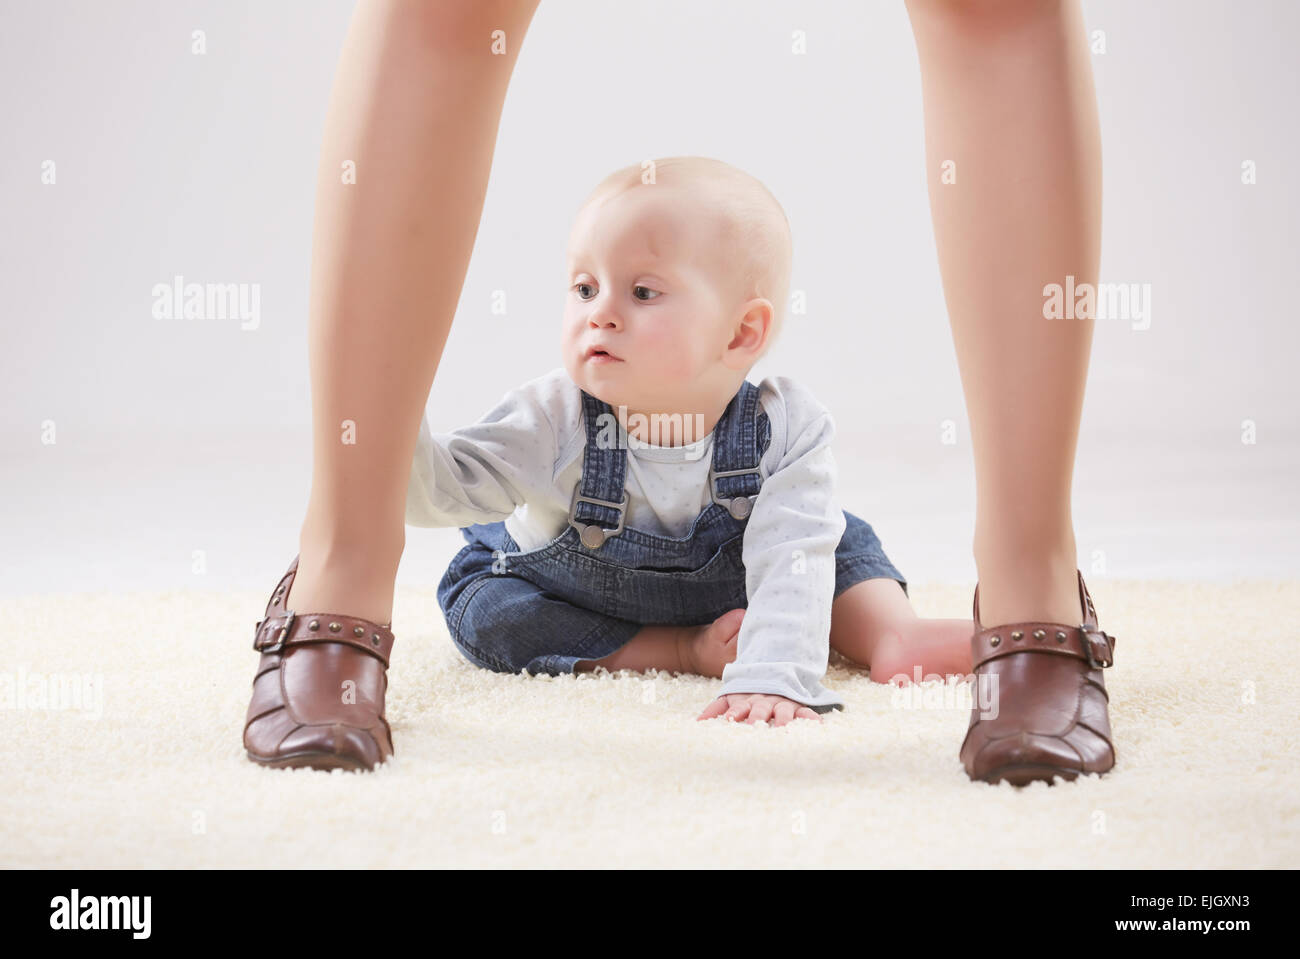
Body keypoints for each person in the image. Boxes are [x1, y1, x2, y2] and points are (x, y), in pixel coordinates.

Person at [242, 0, 1116, 786]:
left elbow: (795, 547)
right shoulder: (553, 419)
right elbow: (451, 486)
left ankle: (980, 601)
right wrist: (396, 436)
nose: (599, 315)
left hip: (749, 571)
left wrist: (777, 674)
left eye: (642, 292)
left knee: (829, 545)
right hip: (585, 590)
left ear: (742, 334)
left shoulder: (783, 426)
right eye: (582, 289)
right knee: (495, 607)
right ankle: (345, 566)